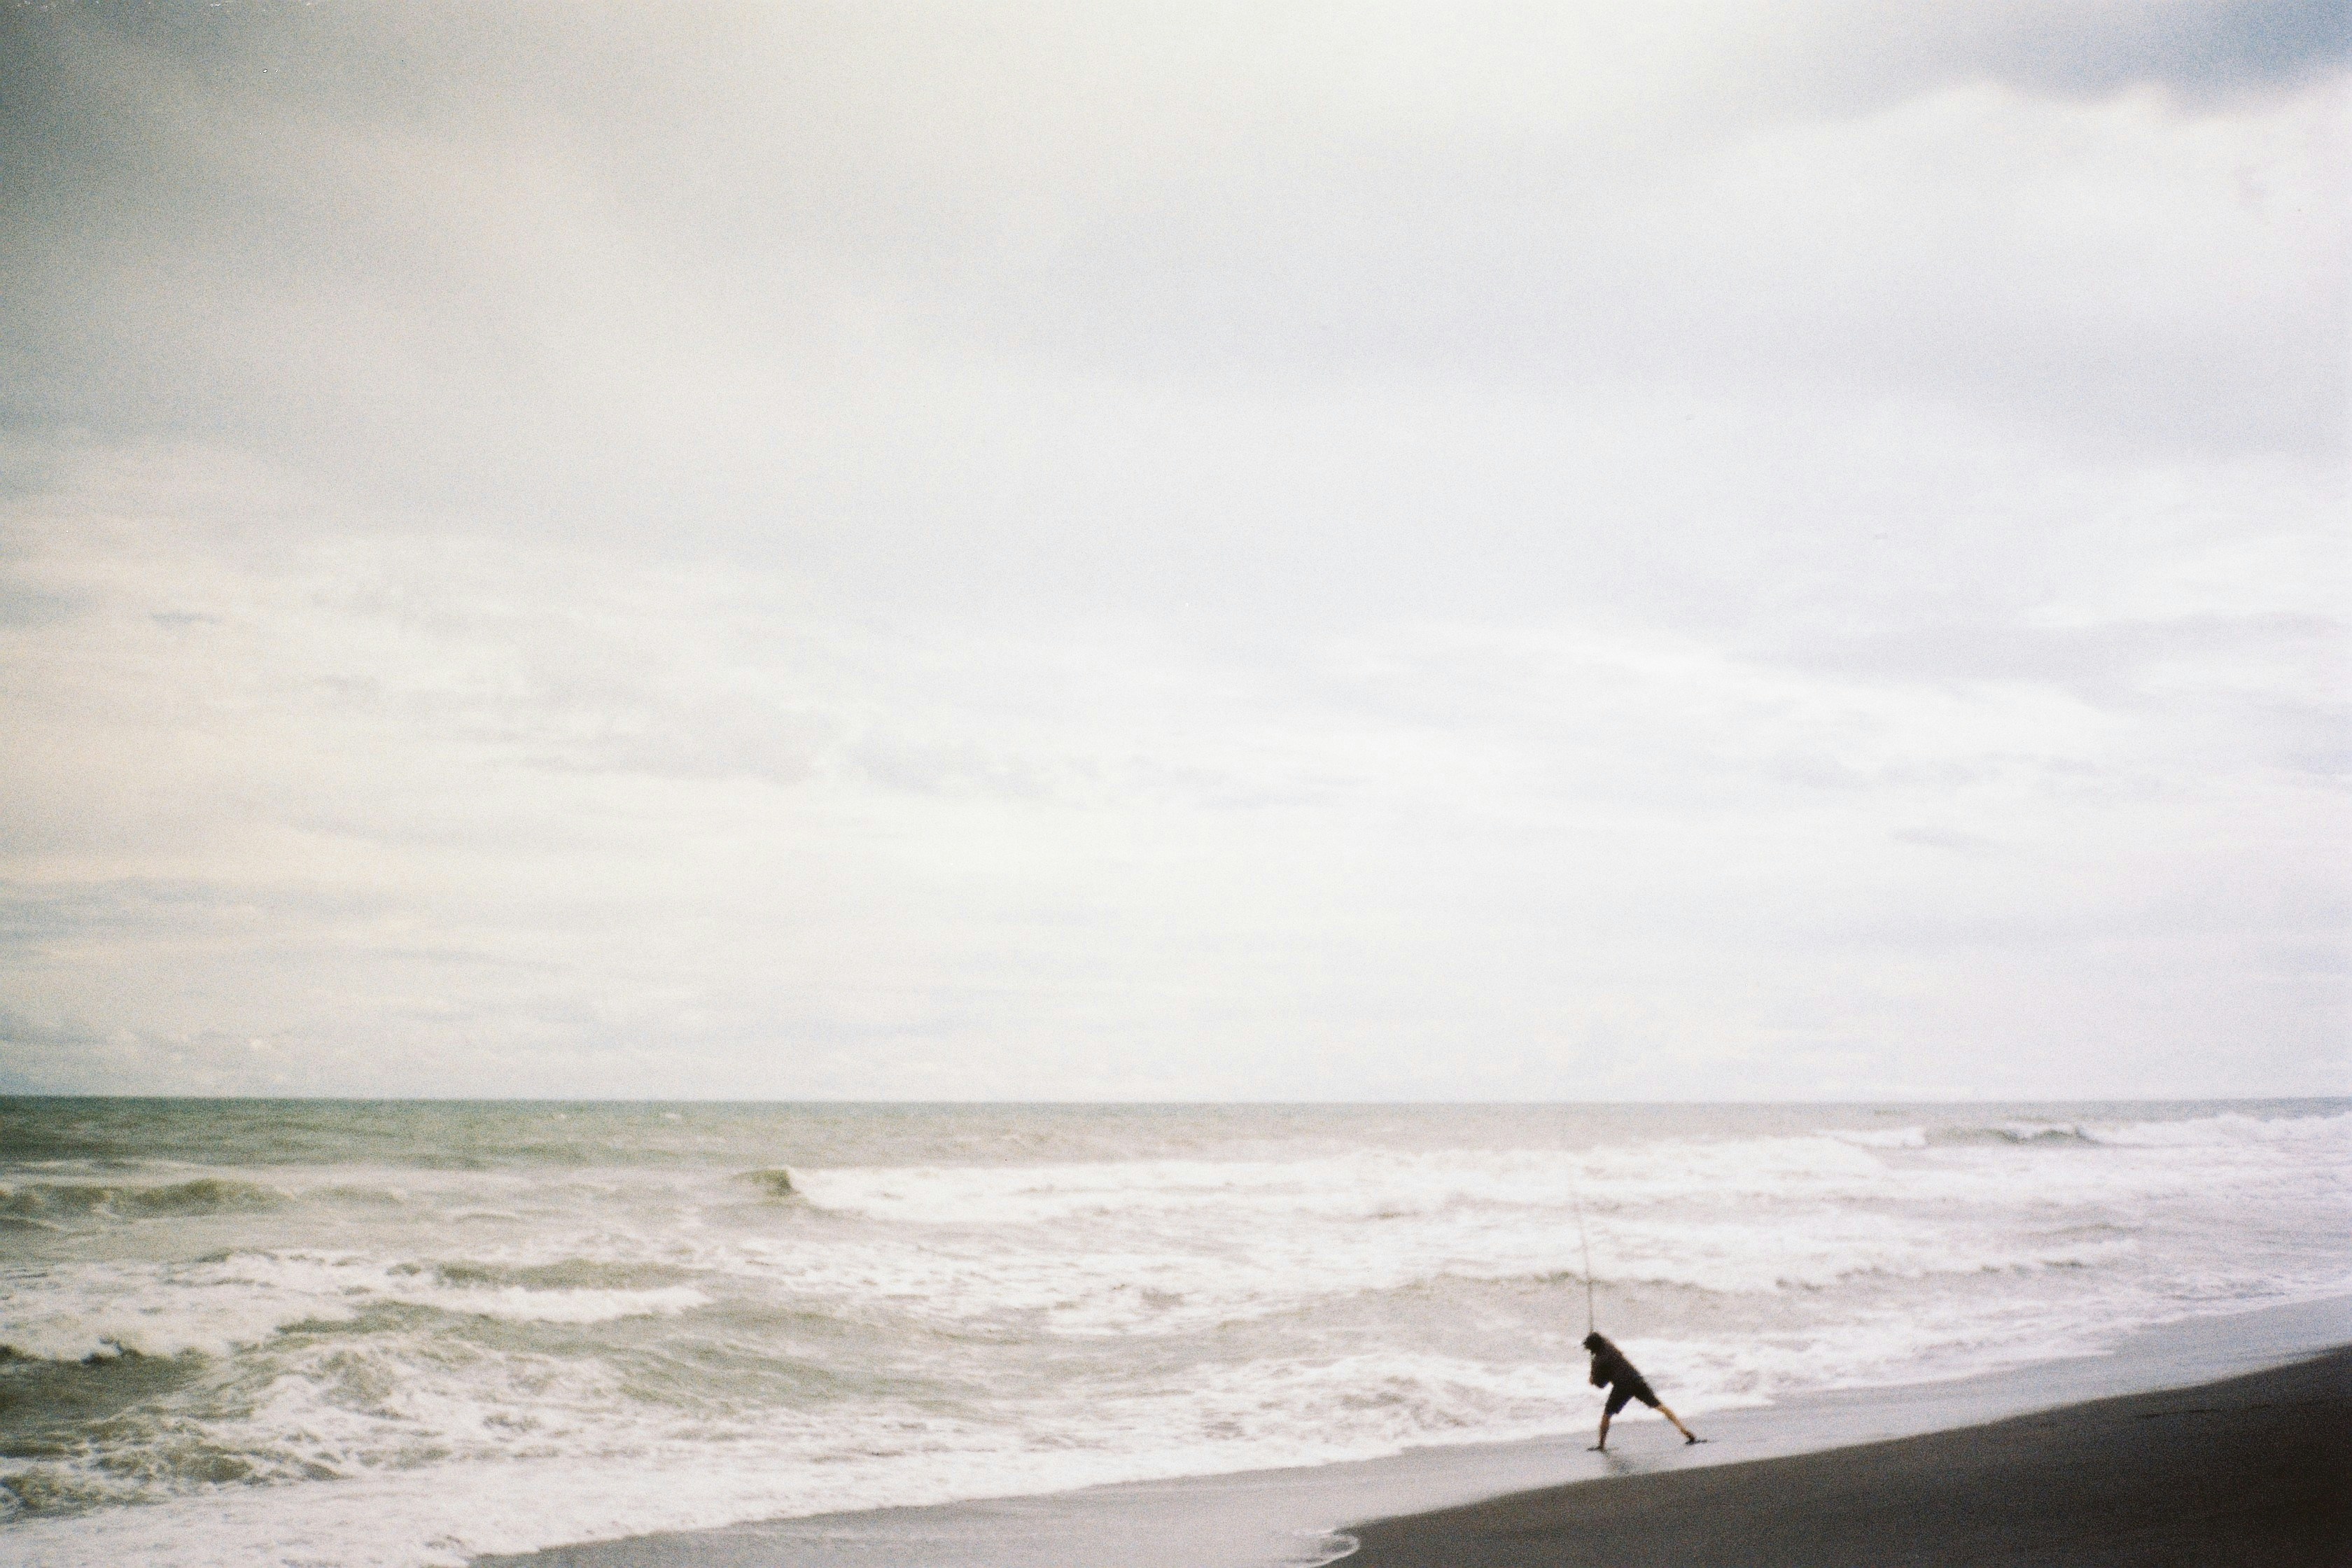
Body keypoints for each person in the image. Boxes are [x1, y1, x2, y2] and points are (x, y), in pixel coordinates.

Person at [1583, 1331, 1701, 1450]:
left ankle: (1601, 1445)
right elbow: (1609, 1346)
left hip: (1622, 1386)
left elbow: (1601, 1385)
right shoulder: (1610, 1347)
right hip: (1636, 1379)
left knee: (1607, 1414)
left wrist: (1592, 1378)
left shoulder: (1598, 1361)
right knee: (1659, 1405)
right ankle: (1682, 1429)